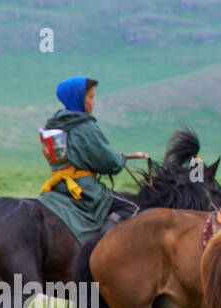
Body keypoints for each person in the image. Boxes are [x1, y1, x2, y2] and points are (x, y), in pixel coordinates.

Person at [35, 76, 145, 242]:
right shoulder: (84, 126)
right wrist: (121, 159)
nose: (93, 102)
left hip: (58, 186)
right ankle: (99, 248)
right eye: (90, 97)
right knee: (132, 208)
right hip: (85, 189)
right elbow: (110, 163)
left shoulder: (54, 124)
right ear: (78, 99)